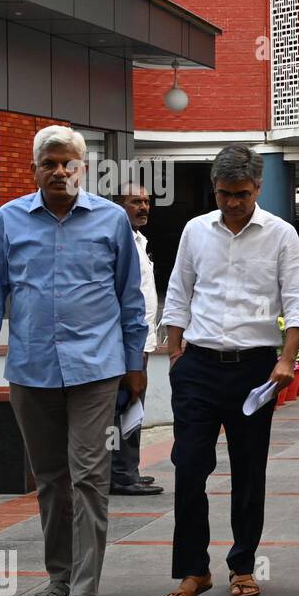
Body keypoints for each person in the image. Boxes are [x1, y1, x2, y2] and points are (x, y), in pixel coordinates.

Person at [0, 125, 147, 596]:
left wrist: (136, 366)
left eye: (69, 163)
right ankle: (61, 577)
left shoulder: (111, 221)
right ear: (35, 169)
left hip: (95, 369)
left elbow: (130, 299)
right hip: (31, 369)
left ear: (82, 168)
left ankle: (86, 593)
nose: (60, 171)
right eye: (50, 163)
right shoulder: (8, 221)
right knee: (51, 480)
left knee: (90, 476)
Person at [159, 144, 299, 596]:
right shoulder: (194, 231)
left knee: (248, 471)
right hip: (198, 366)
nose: (231, 203)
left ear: (258, 188)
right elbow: (179, 290)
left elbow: (297, 301)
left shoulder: (280, 234)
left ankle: (243, 565)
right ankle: (193, 570)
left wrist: (287, 359)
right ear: (214, 189)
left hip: (254, 368)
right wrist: (174, 351)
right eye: (223, 194)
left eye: (241, 194)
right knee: (188, 468)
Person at [110, 183, 164, 497]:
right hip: (124, 344)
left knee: (133, 408)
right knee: (123, 407)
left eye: (146, 201)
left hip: (140, 343)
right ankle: (118, 475)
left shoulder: (139, 240)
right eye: (135, 202)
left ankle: (128, 469)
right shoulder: (118, 241)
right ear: (119, 205)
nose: (142, 207)